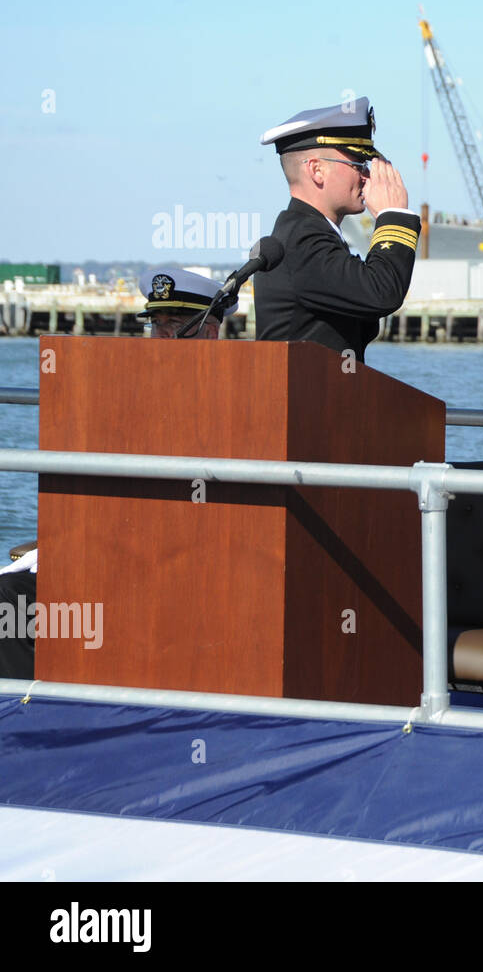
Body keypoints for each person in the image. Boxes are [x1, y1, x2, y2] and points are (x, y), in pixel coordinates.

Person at [0, 268, 238, 678]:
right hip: (108, 552)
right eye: (156, 324)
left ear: (210, 332)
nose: (162, 335)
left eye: (176, 325)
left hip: (182, 566)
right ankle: (33, 721)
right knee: (9, 603)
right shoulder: (125, 393)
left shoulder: (235, 399)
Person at [255, 98, 420, 363]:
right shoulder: (302, 240)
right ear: (317, 170)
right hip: (305, 402)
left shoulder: (311, 234)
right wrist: (394, 217)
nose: (366, 176)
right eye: (358, 164)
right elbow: (381, 293)